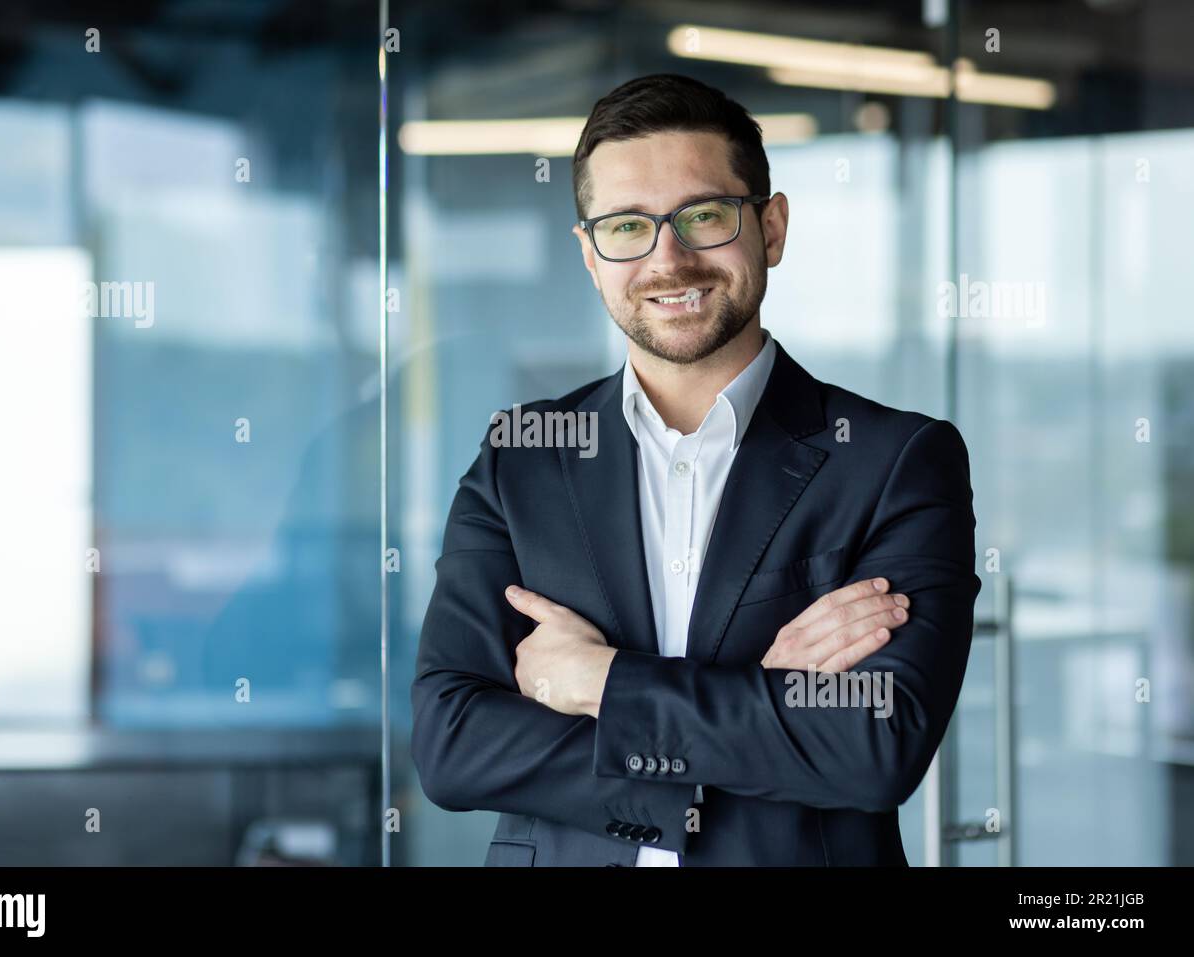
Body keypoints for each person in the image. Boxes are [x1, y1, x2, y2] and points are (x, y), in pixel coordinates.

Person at [410, 73, 980, 866]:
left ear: (771, 228)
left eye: (703, 216)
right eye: (626, 226)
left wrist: (600, 682)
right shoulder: (524, 455)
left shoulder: (896, 462)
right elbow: (452, 741)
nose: (667, 259)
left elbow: (877, 742)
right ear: (590, 254)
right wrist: (749, 712)